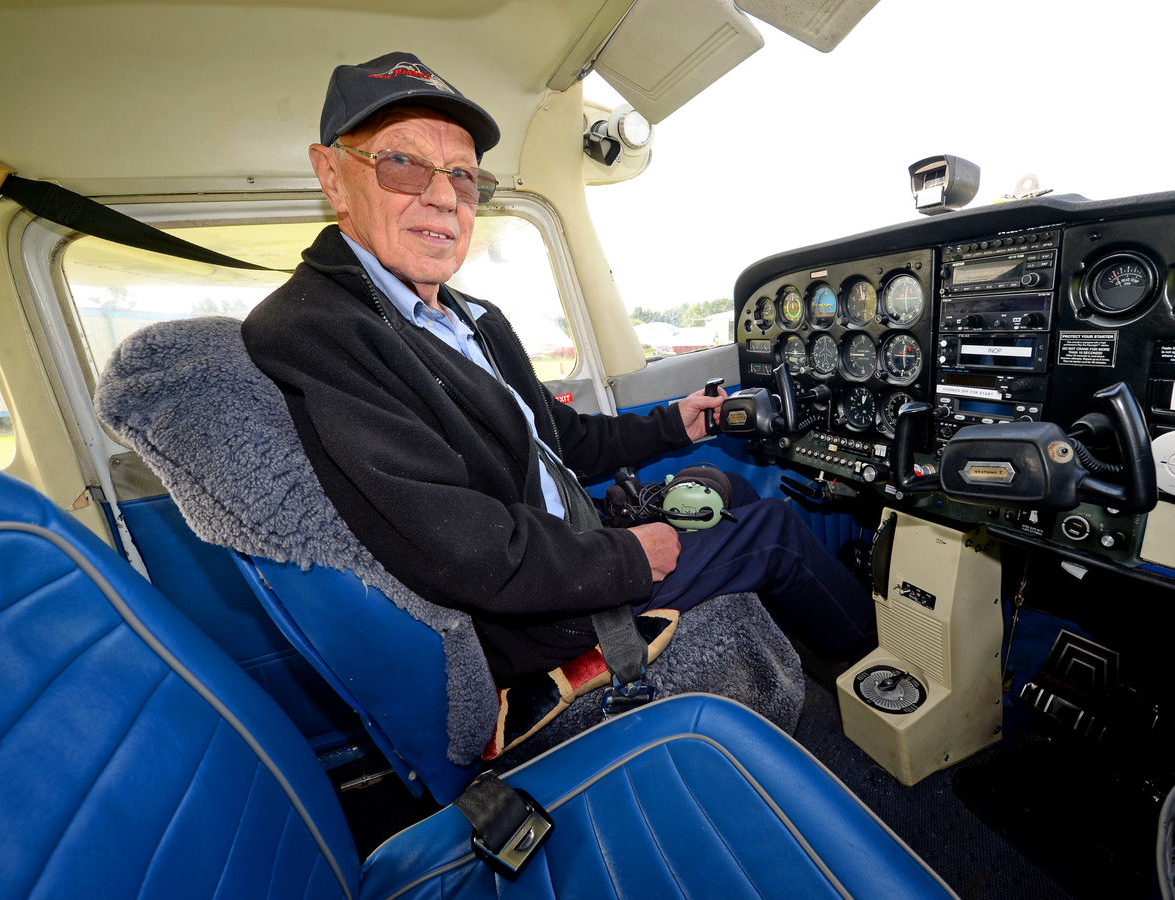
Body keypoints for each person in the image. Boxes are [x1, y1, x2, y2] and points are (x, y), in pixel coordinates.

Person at [242, 52, 874, 685]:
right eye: (402, 163)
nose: (442, 197)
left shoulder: (468, 317)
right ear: (330, 174)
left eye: (462, 175)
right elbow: (466, 551)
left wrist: (678, 425)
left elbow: (559, 440)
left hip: (570, 538)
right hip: (541, 616)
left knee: (719, 481)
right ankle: (872, 667)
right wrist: (628, 556)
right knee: (772, 525)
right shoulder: (315, 328)